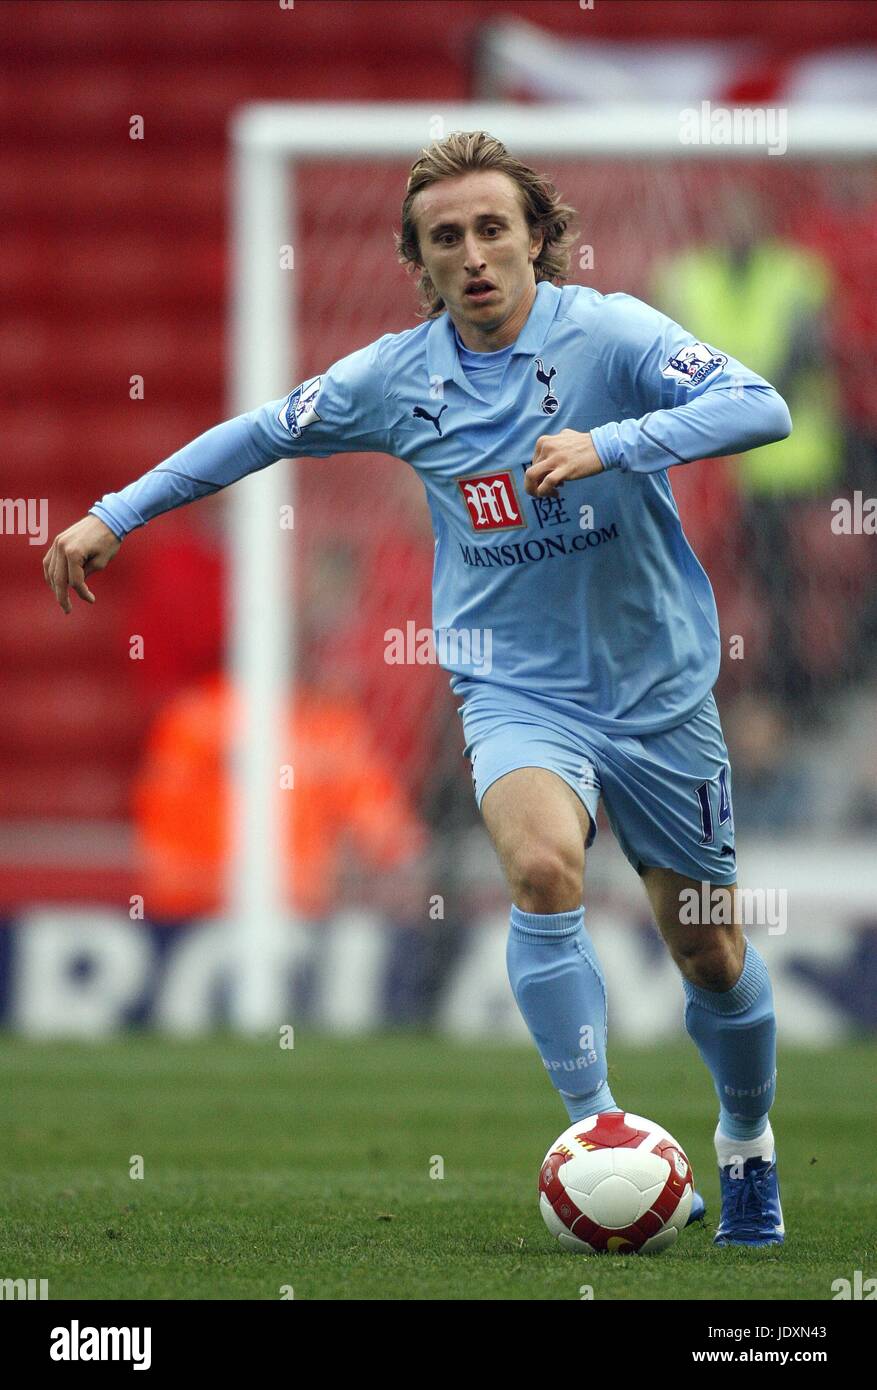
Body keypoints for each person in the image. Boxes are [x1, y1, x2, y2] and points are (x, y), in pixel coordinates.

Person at [43, 130, 792, 1248]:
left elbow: (761, 407)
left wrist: (613, 444)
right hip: (515, 688)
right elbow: (253, 436)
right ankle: (596, 1141)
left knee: (710, 951)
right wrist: (116, 509)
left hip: (658, 690)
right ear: (421, 261)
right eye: (447, 238)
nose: (475, 253)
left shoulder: (612, 333)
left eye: (494, 229)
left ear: (538, 238)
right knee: (542, 867)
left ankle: (743, 1143)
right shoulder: (395, 378)